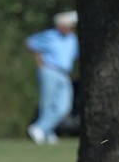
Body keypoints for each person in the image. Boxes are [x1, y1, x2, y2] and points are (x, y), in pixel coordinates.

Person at [25, 11, 79, 145]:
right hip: (49, 70)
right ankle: (44, 132)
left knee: (63, 107)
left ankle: (42, 129)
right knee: (47, 103)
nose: (69, 28)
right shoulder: (50, 36)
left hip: (64, 74)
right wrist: (40, 62)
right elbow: (30, 42)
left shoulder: (73, 39)